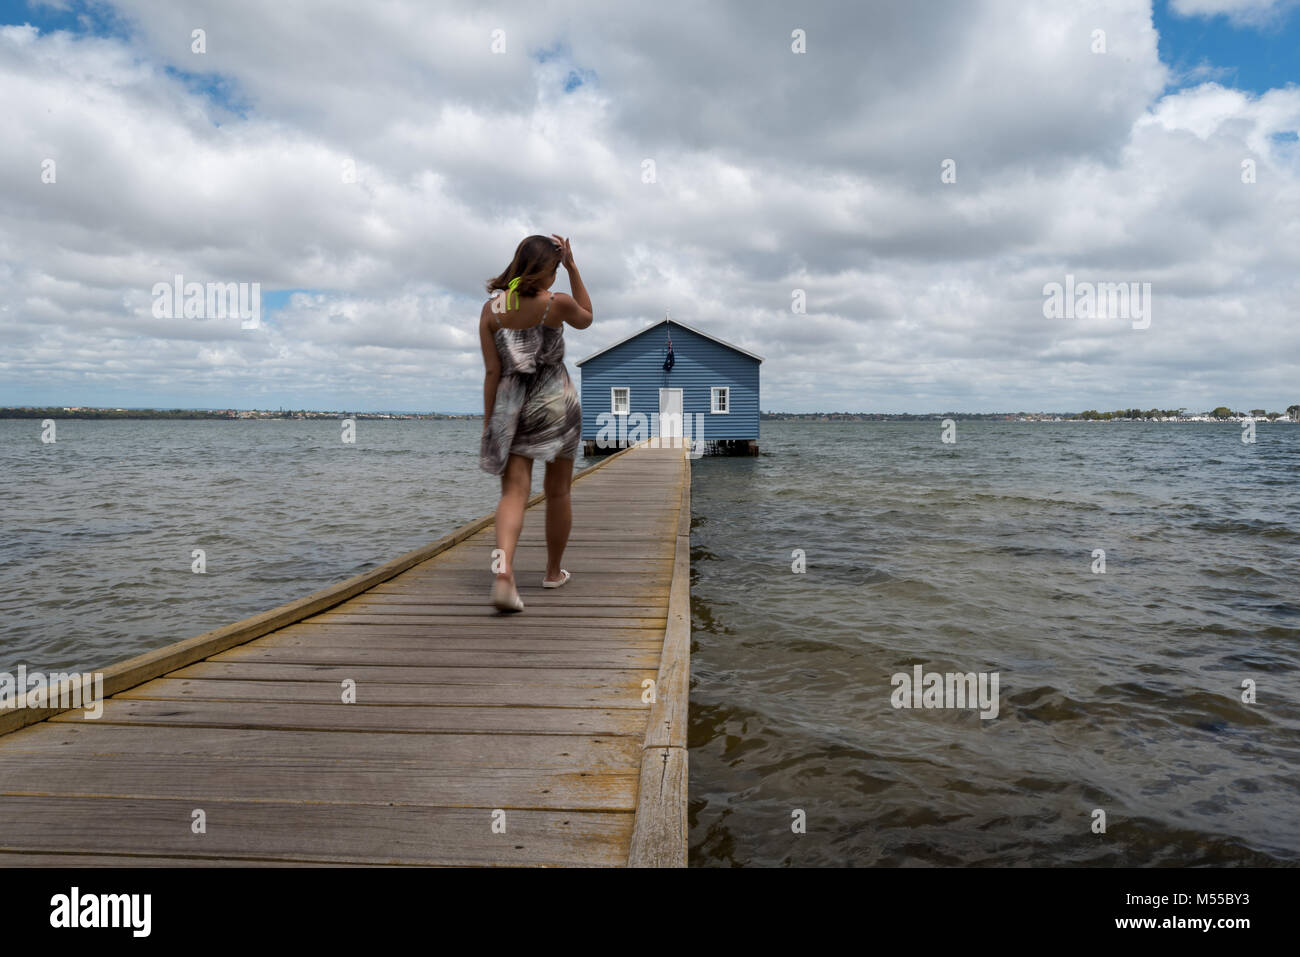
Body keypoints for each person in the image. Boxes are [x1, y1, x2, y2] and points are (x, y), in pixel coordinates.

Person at [479, 234, 593, 612]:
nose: (557, 275)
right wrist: (576, 268)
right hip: (554, 400)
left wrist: (489, 421)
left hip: (509, 403)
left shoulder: (491, 310)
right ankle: (552, 572)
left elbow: (493, 371)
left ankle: (504, 575)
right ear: (545, 268)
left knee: (513, 493)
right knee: (558, 491)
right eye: (556, 268)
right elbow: (587, 319)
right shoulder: (556, 304)